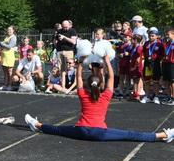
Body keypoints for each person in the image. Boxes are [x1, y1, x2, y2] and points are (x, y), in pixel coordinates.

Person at [25, 54, 173, 143]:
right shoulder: (105, 96)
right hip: (100, 133)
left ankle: (36, 124)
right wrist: (107, 60)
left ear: (89, 84)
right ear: (99, 84)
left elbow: (78, 78)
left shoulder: (83, 94)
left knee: (57, 129)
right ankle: (164, 135)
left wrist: (81, 63)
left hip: (81, 131)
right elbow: (110, 77)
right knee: (131, 135)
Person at [142, 28, 164, 104]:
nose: (150, 37)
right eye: (149, 35)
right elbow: (144, 53)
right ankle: (147, 96)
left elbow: (162, 55)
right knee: (147, 81)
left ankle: (156, 97)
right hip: (147, 64)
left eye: (152, 36)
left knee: (156, 81)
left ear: (156, 36)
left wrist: (156, 60)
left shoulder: (160, 44)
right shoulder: (146, 43)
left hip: (155, 64)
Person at [0, 26, 17, 90]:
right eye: (8, 29)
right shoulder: (7, 37)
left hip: (10, 56)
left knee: (10, 71)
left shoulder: (13, 37)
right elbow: (4, 46)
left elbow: (9, 46)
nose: (9, 31)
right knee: (5, 72)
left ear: (13, 30)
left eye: (10, 30)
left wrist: (2, 43)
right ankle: (5, 85)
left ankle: (10, 85)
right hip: (4, 56)